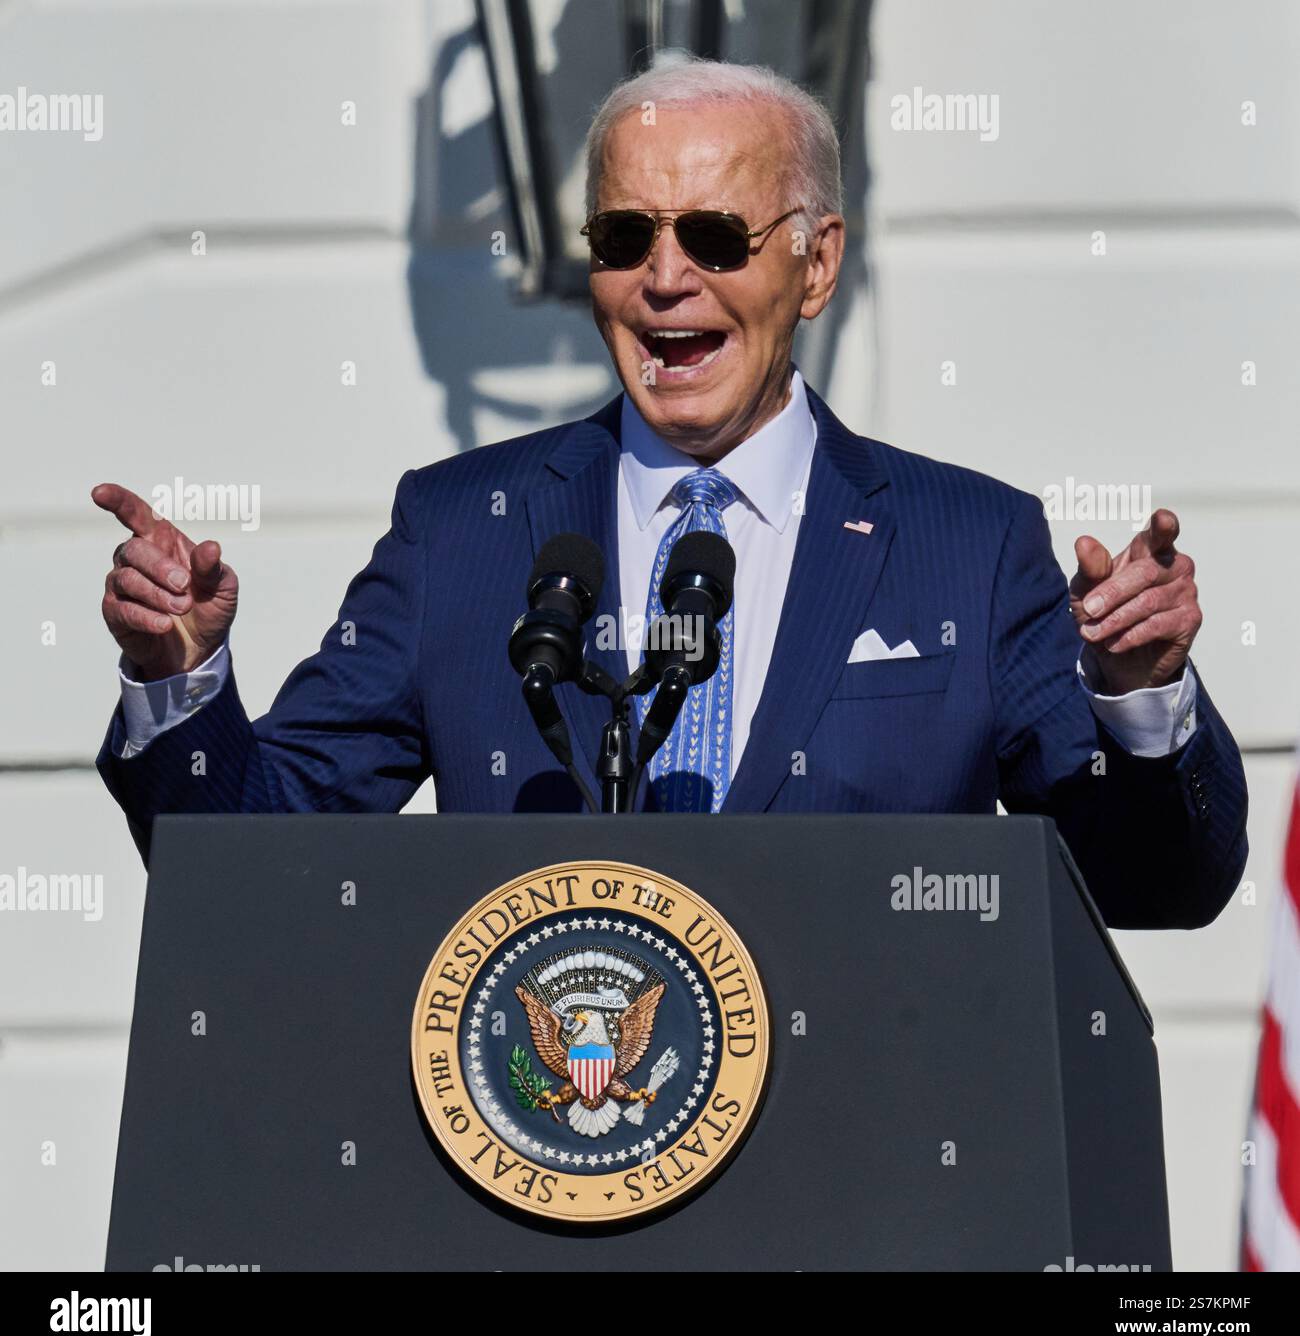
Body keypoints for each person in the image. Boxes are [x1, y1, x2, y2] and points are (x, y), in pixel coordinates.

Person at [92, 59, 1246, 929]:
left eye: (712, 233)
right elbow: (255, 871)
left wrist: (1137, 698)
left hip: (864, 1190)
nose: (663, 275)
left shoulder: (969, 541)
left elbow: (1154, 882)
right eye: (623, 233)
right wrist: (177, 678)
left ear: (818, 262)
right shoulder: (460, 529)